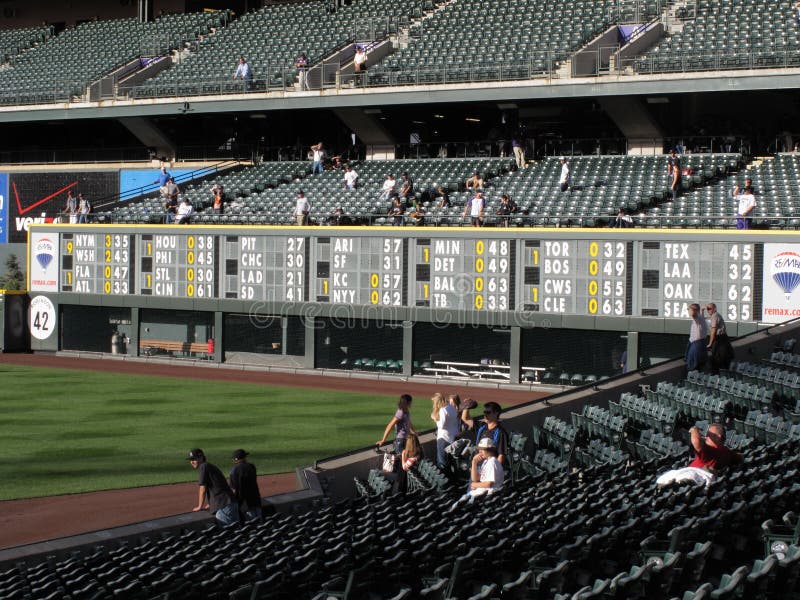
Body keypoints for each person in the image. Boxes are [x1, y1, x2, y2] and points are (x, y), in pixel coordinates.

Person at [656, 424, 742, 486]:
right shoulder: (727, 451)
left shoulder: (711, 451)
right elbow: (740, 457)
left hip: (692, 479)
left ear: (718, 437)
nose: (706, 436)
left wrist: (694, 429)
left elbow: (696, 442)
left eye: (710, 435)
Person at [187, 448, 239, 526]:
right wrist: (211, 503)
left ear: (201, 458)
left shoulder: (203, 466)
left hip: (223, 505)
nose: (192, 462)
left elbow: (202, 488)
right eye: (191, 460)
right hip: (230, 503)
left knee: (227, 533)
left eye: (194, 459)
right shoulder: (209, 466)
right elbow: (218, 486)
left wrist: (200, 506)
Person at [377, 394, 416, 459]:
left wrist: (413, 432)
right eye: (411, 402)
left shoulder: (406, 411)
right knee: (401, 461)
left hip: (406, 439)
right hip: (400, 440)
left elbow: (408, 422)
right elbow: (390, 425)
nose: (412, 403)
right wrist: (383, 440)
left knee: (406, 460)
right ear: (408, 402)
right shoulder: (400, 412)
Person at [229, 449, 262, 522]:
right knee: (260, 525)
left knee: (250, 526)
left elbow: (234, 489)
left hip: (244, 503)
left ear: (235, 460)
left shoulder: (234, 470)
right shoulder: (252, 467)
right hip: (256, 499)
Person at [475, 401, 509, 467]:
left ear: (496, 413)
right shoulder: (481, 427)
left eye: (488, 412)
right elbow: (466, 419)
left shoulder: (501, 432)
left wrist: (494, 470)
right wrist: (466, 408)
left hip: (489, 468)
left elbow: (501, 455)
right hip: (479, 466)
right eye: (484, 412)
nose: (485, 415)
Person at [431, 393, 459, 470]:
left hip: (443, 438)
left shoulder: (443, 410)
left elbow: (441, 425)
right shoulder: (452, 408)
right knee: (450, 461)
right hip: (452, 437)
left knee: (442, 461)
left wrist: (435, 419)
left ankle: (444, 479)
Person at [703, 303, 734, 374]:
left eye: (709, 309)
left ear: (715, 309)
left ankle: (720, 375)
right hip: (721, 339)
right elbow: (702, 320)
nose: (708, 310)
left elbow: (713, 331)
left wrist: (710, 344)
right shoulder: (712, 316)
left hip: (720, 339)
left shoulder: (715, 316)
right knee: (719, 360)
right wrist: (702, 310)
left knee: (720, 360)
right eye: (707, 309)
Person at [685, 303, 708, 372]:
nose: (688, 311)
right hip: (700, 343)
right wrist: (702, 310)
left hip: (696, 345)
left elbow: (694, 315)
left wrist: (692, 311)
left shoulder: (697, 317)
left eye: (689, 309)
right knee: (698, 367)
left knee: (693, 366)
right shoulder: (700, 317)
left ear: (694, 310)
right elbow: (700, 316)